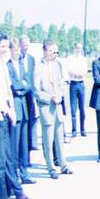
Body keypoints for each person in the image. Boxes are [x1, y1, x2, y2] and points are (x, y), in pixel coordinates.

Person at [0, 31, 23, 199]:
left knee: (5, 159)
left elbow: (7, 89)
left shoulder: (1, 64)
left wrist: (11, 108)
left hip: (4, 116)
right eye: (2, 46)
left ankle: (6, 198)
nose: (6, 50)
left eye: (6, 47)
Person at [34, 40, 72, 178]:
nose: (53, 54)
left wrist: (60, 95)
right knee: (48, 141)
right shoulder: (39, 67)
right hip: (47, 108)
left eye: (54, 51)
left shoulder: (57, 65)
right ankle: (51, 168)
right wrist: (50, 97)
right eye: (50, 51)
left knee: (59, 139)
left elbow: (61, 84)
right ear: (45, 51)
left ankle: (63, 165)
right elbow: (37, 91)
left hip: (58, 107)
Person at [6, 37, 35, 184]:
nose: (18, 52)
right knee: (15, 145)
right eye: (15, 50)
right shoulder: (8, 66)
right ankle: (14, 175)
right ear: (10, 50)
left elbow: (29, 84)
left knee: (24, 144)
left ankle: (24, 174)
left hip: (24, 108)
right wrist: (20, 86)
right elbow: (13, 86)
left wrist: (21, 88)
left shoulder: (22, 64)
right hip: (15, 108)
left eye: (19, 50)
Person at [65, 42, 89, 139]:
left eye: (80, 48)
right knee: (73, 109)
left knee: (82, 108)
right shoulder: (70, 58)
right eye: (77, 48)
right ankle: (74, 130)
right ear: (75, 48)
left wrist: (80, 74)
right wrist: (75, 74)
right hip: (73, 84)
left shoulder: (83, 59)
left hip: (81, 84)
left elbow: (85, 71)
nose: (79, 50)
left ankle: (82, 129)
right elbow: (69, 70)